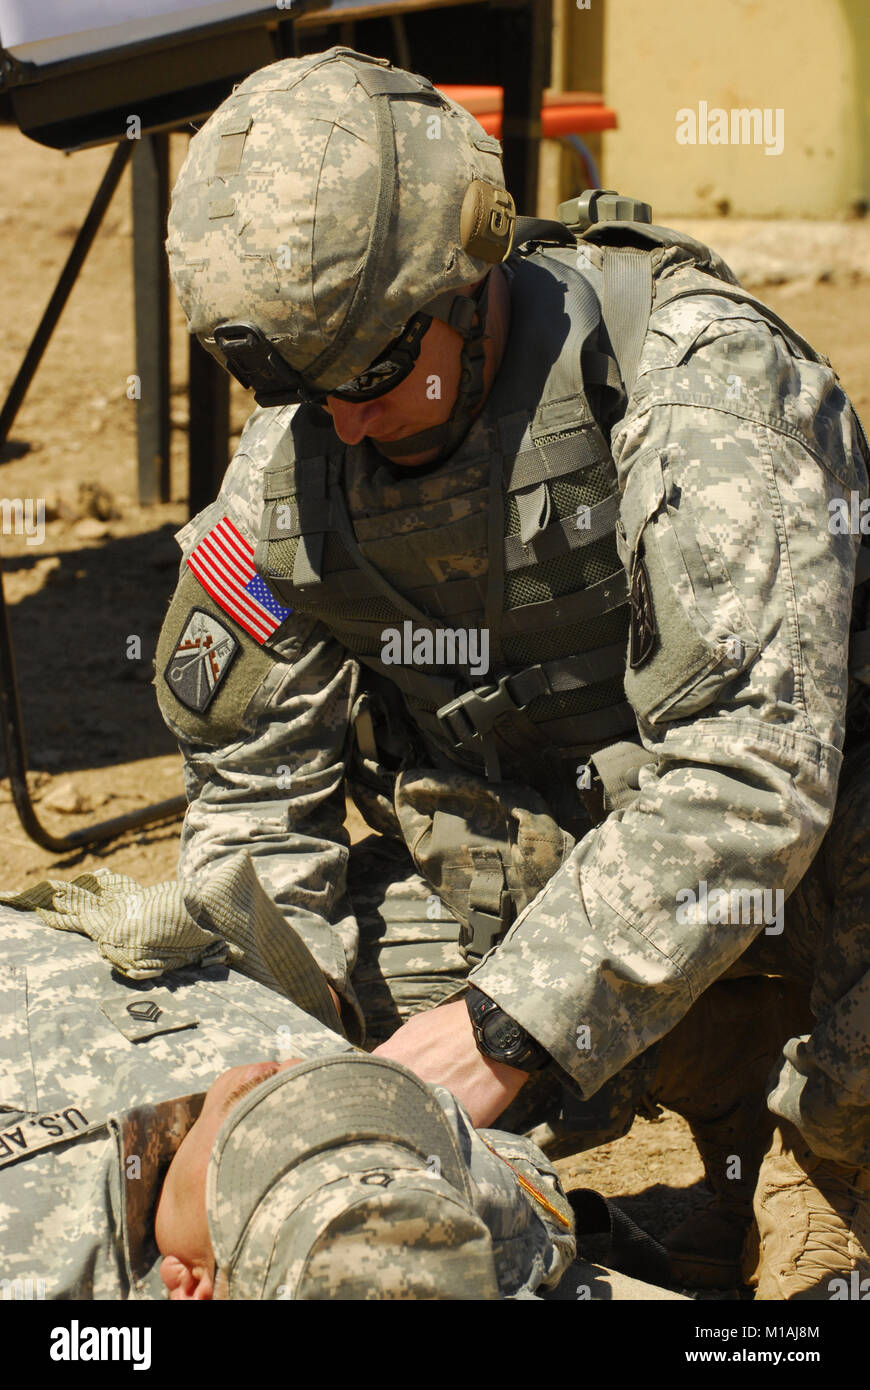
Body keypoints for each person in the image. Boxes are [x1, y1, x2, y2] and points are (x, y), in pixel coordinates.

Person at [158, 45, 870, 1298]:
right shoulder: (296, 462)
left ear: (472, 270)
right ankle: (708, 1149)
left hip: (797, 885)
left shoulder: (695, 389)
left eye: (377, 370)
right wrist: (291, 1071)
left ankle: (826, 1167)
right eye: (288, 385)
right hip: (555, 886)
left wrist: (509, 1029)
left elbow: (752, 782)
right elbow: (252, 804)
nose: (343, 423)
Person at [0, 894, 580, 1300]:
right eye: (363, 1129)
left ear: (190, 1283)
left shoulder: (36, 1248)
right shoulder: (444, 1241)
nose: (291, 1080)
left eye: (262, 1151)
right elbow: (527, 1190)